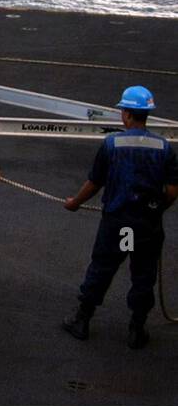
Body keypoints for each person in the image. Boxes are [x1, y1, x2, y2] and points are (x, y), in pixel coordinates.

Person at [62, 86, 177, 349]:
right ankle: (137, 328)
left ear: (126, 115)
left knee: (102, 268)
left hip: (117, 222)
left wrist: (75, 203)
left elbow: (94, 182)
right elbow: (172, 190)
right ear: (147, 114)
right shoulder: (164, 147)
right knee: (143, 274)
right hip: (147, 224)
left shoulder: (112, 144)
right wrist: (156, 209)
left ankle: (82, 319)